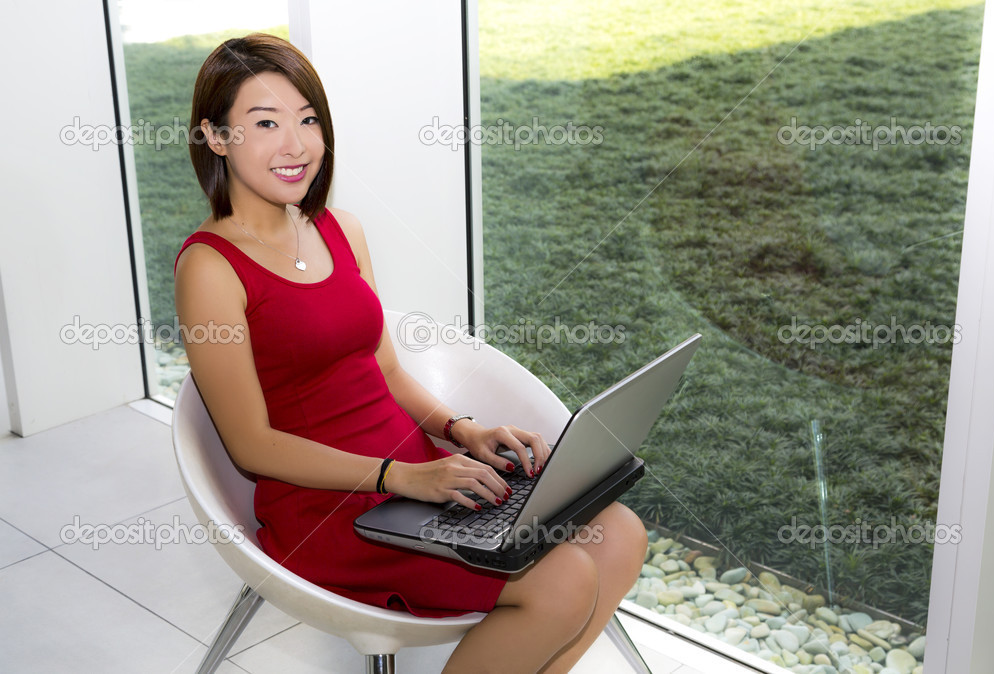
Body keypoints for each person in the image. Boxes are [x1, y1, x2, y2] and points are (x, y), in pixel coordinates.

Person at [174, 33, 647, 673]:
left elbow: (387, 370)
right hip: (329, 509)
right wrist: (401, 478)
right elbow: (250, 444)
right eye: (265, 123)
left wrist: (462, 431)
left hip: (417, 473)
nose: (296, 145)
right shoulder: (210, 268)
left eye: (308, 120)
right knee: (563, 582)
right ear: (215, 137)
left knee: (620, 535)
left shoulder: (340, 230)